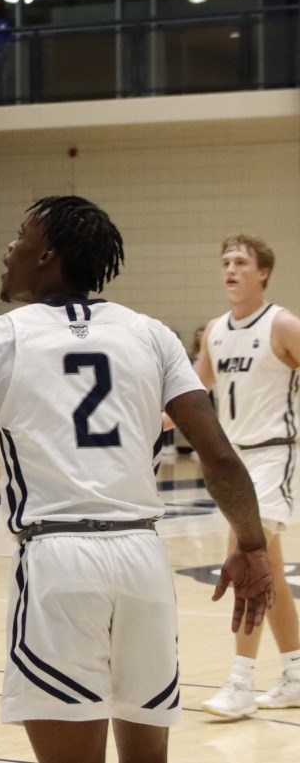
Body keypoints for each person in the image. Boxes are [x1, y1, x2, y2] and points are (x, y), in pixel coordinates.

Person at [0, 196, 276, 763]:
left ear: (47, 254)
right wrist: (251, 545)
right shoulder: (152, 334)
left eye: (19, 236)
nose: (8, 248)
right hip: (143, 562)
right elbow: (219, 459)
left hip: (57, 562)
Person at [192, 234, 300, 717]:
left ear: (263, 273)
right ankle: (296, 675)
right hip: (235, 465)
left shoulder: (283, 324)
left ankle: (240, 683)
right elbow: (194, 393)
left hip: (276, 456)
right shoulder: (215, 330)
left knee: (244, 557)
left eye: (241, 262)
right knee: (268, 571)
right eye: (225, 262)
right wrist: (145, 423)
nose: (230, 269)